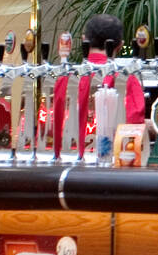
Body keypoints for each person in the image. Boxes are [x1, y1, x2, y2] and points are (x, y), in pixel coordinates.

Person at [53, 14, 146, 158]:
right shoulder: (127, 79)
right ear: (120, 45)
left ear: (84, 40)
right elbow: (133, 129)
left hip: (62, 168)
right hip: (107, 172)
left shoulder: (65, 78)